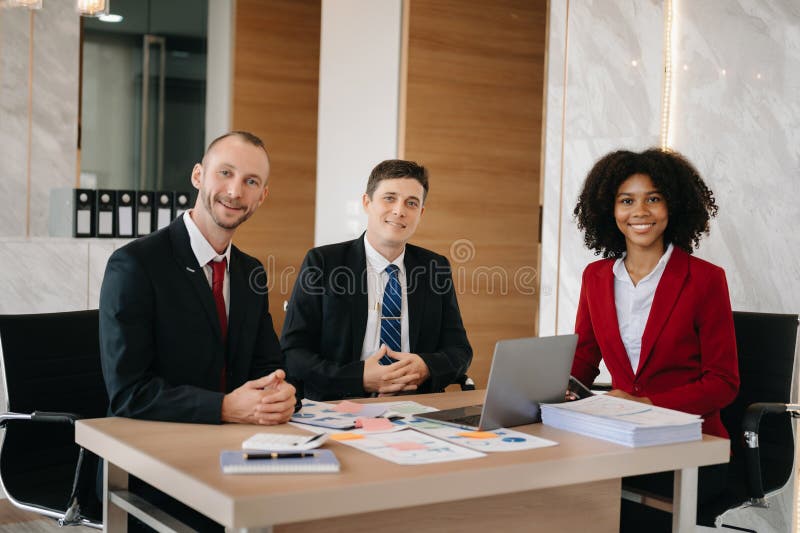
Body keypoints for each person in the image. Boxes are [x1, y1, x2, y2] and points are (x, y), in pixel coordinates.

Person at [99, 131, 296, 530]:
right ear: (198, 176)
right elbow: (128, 393)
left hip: (239, 452)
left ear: (262, 197)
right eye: (225, 173)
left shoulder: (250, 271)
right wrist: (224, 407)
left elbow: (268, 365)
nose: (235, 191)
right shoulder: (135, 264)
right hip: (153, 466)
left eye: (251, 182)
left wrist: (280, 392)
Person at [571, 148, 739, 530]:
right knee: (556, 491)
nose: (640, 212)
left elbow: (723, 383)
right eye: (626, 200)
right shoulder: (595, 278)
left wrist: (644, 405)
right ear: (609, 210)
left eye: (653, 199)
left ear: (673, 206)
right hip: (619, 440)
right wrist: (549, 393)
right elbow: (582, 360)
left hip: (691, 444)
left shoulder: (705, 279)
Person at [281, 159, 472, 400]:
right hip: (339, 404)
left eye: (411, 203)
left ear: (420, 213)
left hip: (416, 407)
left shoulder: (435, 267)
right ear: (367, 203)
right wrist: (359, 377)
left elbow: (460, 351)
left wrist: (426, 367)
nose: (399, 210)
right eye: (389, 198)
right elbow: (293, 353)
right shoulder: (323, 262)